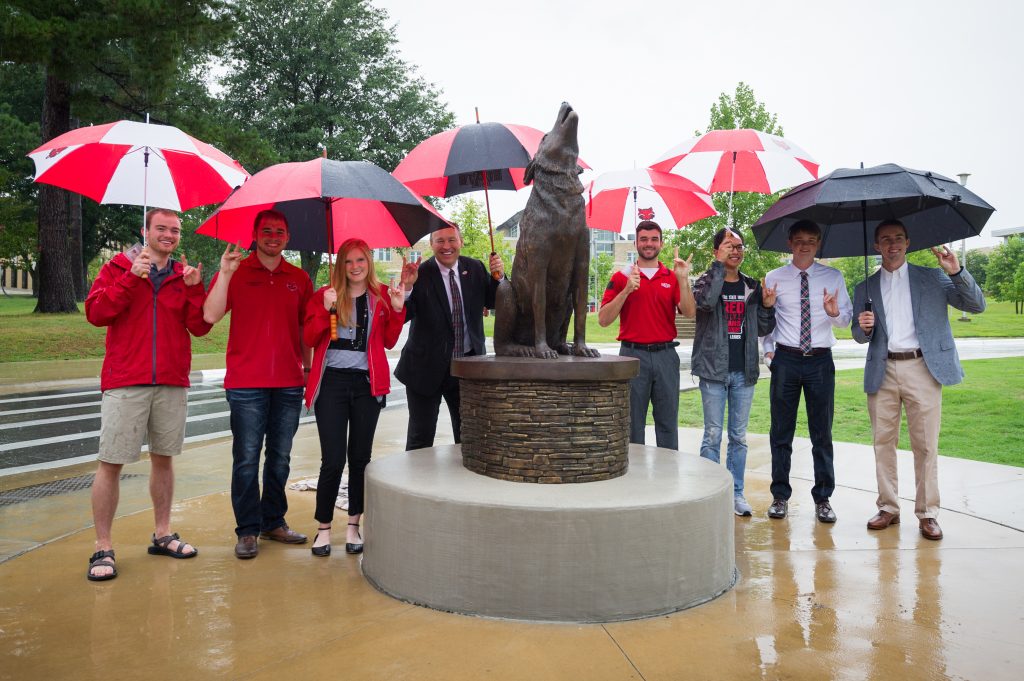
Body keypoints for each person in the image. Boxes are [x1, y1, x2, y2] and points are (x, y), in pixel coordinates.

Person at [84, 208, 211, 581]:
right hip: (126, 380)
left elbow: (199, 327)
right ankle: (103, 546)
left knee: (164, 459)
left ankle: (162, 534)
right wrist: (130, 278)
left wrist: (195, 288)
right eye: (162, 228)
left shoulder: (181, 275)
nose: (169, 235)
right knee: (111, 462)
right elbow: (96, 313)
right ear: (145, 231)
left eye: (175, 230)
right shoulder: (117, 268)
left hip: (171, 379)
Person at [852, 219, 985, 540]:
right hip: (882, 370)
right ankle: (888, 507)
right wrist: (864, 327)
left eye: (898, 238)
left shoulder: (933, 277)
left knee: (925, 444)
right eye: (886, 239)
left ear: (908, 242)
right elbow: (858, 334)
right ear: (876, 246)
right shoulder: (864, 287)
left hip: (923, 368)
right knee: (883, 442)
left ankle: (927, 513)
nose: (893, 244)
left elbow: (975, 305)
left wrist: (956, 271)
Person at [203, 210, 314, 559]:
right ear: (254, 234)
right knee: (247, 459)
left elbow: (305, 329)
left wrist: (308, 369)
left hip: (288, 382)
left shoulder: (299, 278)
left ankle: (273, 521)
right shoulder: (236, 271)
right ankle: (248, 530)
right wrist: (224, 273)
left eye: (280, 231)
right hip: (246, 382)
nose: (273, 236)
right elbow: (210, 314)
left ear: (288, 237)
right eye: (266, 230)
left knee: (280, 458)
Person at [303, 239, 406, 556]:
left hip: (365, 385)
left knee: (360, 458)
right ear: (341, 265)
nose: (355, 266)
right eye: (348, 261)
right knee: (332, 460)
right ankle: (323, 528)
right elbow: (309, 337)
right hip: (331, 384)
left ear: (369, 262)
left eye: (360, 260)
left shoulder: (381, 297)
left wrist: (398, 309)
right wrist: (325, 310)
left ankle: (353, 526)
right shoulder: (325, 295)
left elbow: (389, 341)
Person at [762, 220, 852, 524]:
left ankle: (823, 498)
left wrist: (834, 313)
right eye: (799, 240)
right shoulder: (774, 277)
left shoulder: (833, 277)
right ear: (790, 243)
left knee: (821, 433)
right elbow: (768, 319)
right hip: (786, 360)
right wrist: (768, 351)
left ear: (818, 244)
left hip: (820, 362)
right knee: (781, 432)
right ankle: (779, 496)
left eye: (811, 240)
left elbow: (846, 319)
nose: (805, 246)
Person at [691, 228, 776, 516]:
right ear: (716, 252)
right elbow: (705, 303)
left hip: (744, 371)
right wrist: (718, 268)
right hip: (713, 370)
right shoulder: (705, 281)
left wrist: (767, 307)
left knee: (739, 437)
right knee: (713, 434)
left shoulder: (751, 286)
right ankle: (710, 493)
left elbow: (762, 329)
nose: (735, 251)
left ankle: (737, 493)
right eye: (729, 245)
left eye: (739, 246)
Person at [395, 225, 503, 451]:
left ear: (460, 242)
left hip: (466, 367)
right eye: (440, 241)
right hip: (425, 368)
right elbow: (404, 315)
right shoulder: (420, 273)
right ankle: (418, 475)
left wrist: (498, 277)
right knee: (420, 438)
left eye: (452, 240)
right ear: (431, 244)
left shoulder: (475, 268)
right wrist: (408, 288)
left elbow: (494, 301)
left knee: (468, 437)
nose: (446, 246)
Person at [598, 220, 695, 449]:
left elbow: (690, 313)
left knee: (668, 423)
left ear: (661, 243)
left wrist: (683, 280)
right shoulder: (621, 277)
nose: (648, 244)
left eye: (654, 239)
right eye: (643, 239)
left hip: (665, 356)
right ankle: (634, 471)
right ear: (636, 243)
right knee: (632, 424)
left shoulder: (671, 276)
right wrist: (626, 290)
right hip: (632, 355)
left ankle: (668, 471)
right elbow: (603, 320)